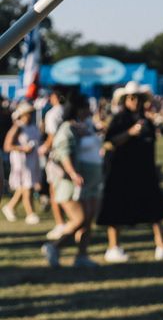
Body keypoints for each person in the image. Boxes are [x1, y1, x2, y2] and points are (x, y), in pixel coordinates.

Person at [97, 83, 163, 262]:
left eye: (137, 98)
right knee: (116, 209)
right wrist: (130, 133)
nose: (134, 101)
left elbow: (150, 146)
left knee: (155, 208)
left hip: (143, 170)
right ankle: (113, 247)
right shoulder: (120, 119)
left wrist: (155, 167)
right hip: (121, 171)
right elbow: (110, 142)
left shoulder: (147, 121)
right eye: (131, 98)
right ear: (125, 100)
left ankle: (162, 245)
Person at [41, 93, 102, 267]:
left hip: (89, 181)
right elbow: (63, 153)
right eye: (86, 107)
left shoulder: (84, 126)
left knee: (88, 220)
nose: (89, 110)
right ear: (78, 109)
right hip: (71, 184)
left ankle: (82, 255)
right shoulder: (66, 128)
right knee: (80, 219)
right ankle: (54, 246)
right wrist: (73, 173)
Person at [2, 103, 43, 225]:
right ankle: (30, 213)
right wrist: (23, 149)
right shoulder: (18, 127)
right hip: (21, 162)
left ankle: (10, 207)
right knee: (27, 187)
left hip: (32, 161)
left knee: (24, 187)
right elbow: (7, 146)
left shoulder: (34, 127)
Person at [39, 88, 69, 239]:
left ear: (54, 97)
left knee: (54, 190)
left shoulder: (52, 114)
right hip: (70, 153)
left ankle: (60, 223)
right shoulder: (68, 110)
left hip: (57, 155)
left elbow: (51, 135)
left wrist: (44, 148)